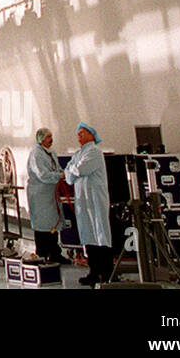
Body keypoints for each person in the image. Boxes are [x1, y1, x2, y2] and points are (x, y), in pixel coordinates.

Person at [64, 121, 113, 287]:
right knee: (88, 235)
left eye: (83, 132)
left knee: (100, 234)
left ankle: (106, 273)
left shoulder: (94, 152)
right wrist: (71, 171)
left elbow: (79, 170)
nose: (79, 136)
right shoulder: (78, 154)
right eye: (78, 133)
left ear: (92, 135)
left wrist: (71, 170)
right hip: (83, 202)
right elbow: (69, 176)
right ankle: (93, 272)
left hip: (95, 199)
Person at [26, 127, 68, 264]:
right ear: (41, 139)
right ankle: (42, 255)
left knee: (52, 225)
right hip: (40, 195)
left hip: (50, 194)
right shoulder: (36, 154)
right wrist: (60, 175)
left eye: (51, 136)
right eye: (48, 137)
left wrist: (65, 173)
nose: (51, 139)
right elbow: (43, 175)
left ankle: (55, 253)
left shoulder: (50, 153)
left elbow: (56, 168)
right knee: (42, 226)